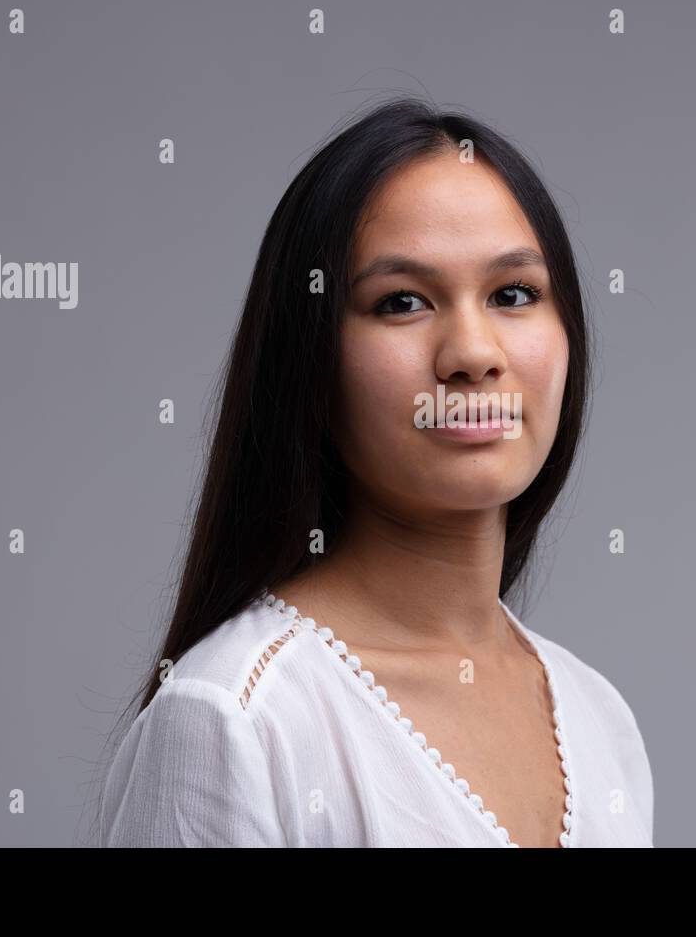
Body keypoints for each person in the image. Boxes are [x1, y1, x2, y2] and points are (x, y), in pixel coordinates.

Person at [95, 96, 653, 847]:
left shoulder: (599, 720)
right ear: (310, 359)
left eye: (513, 294)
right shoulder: (237, 718)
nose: (473, 353)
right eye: (401, 303)